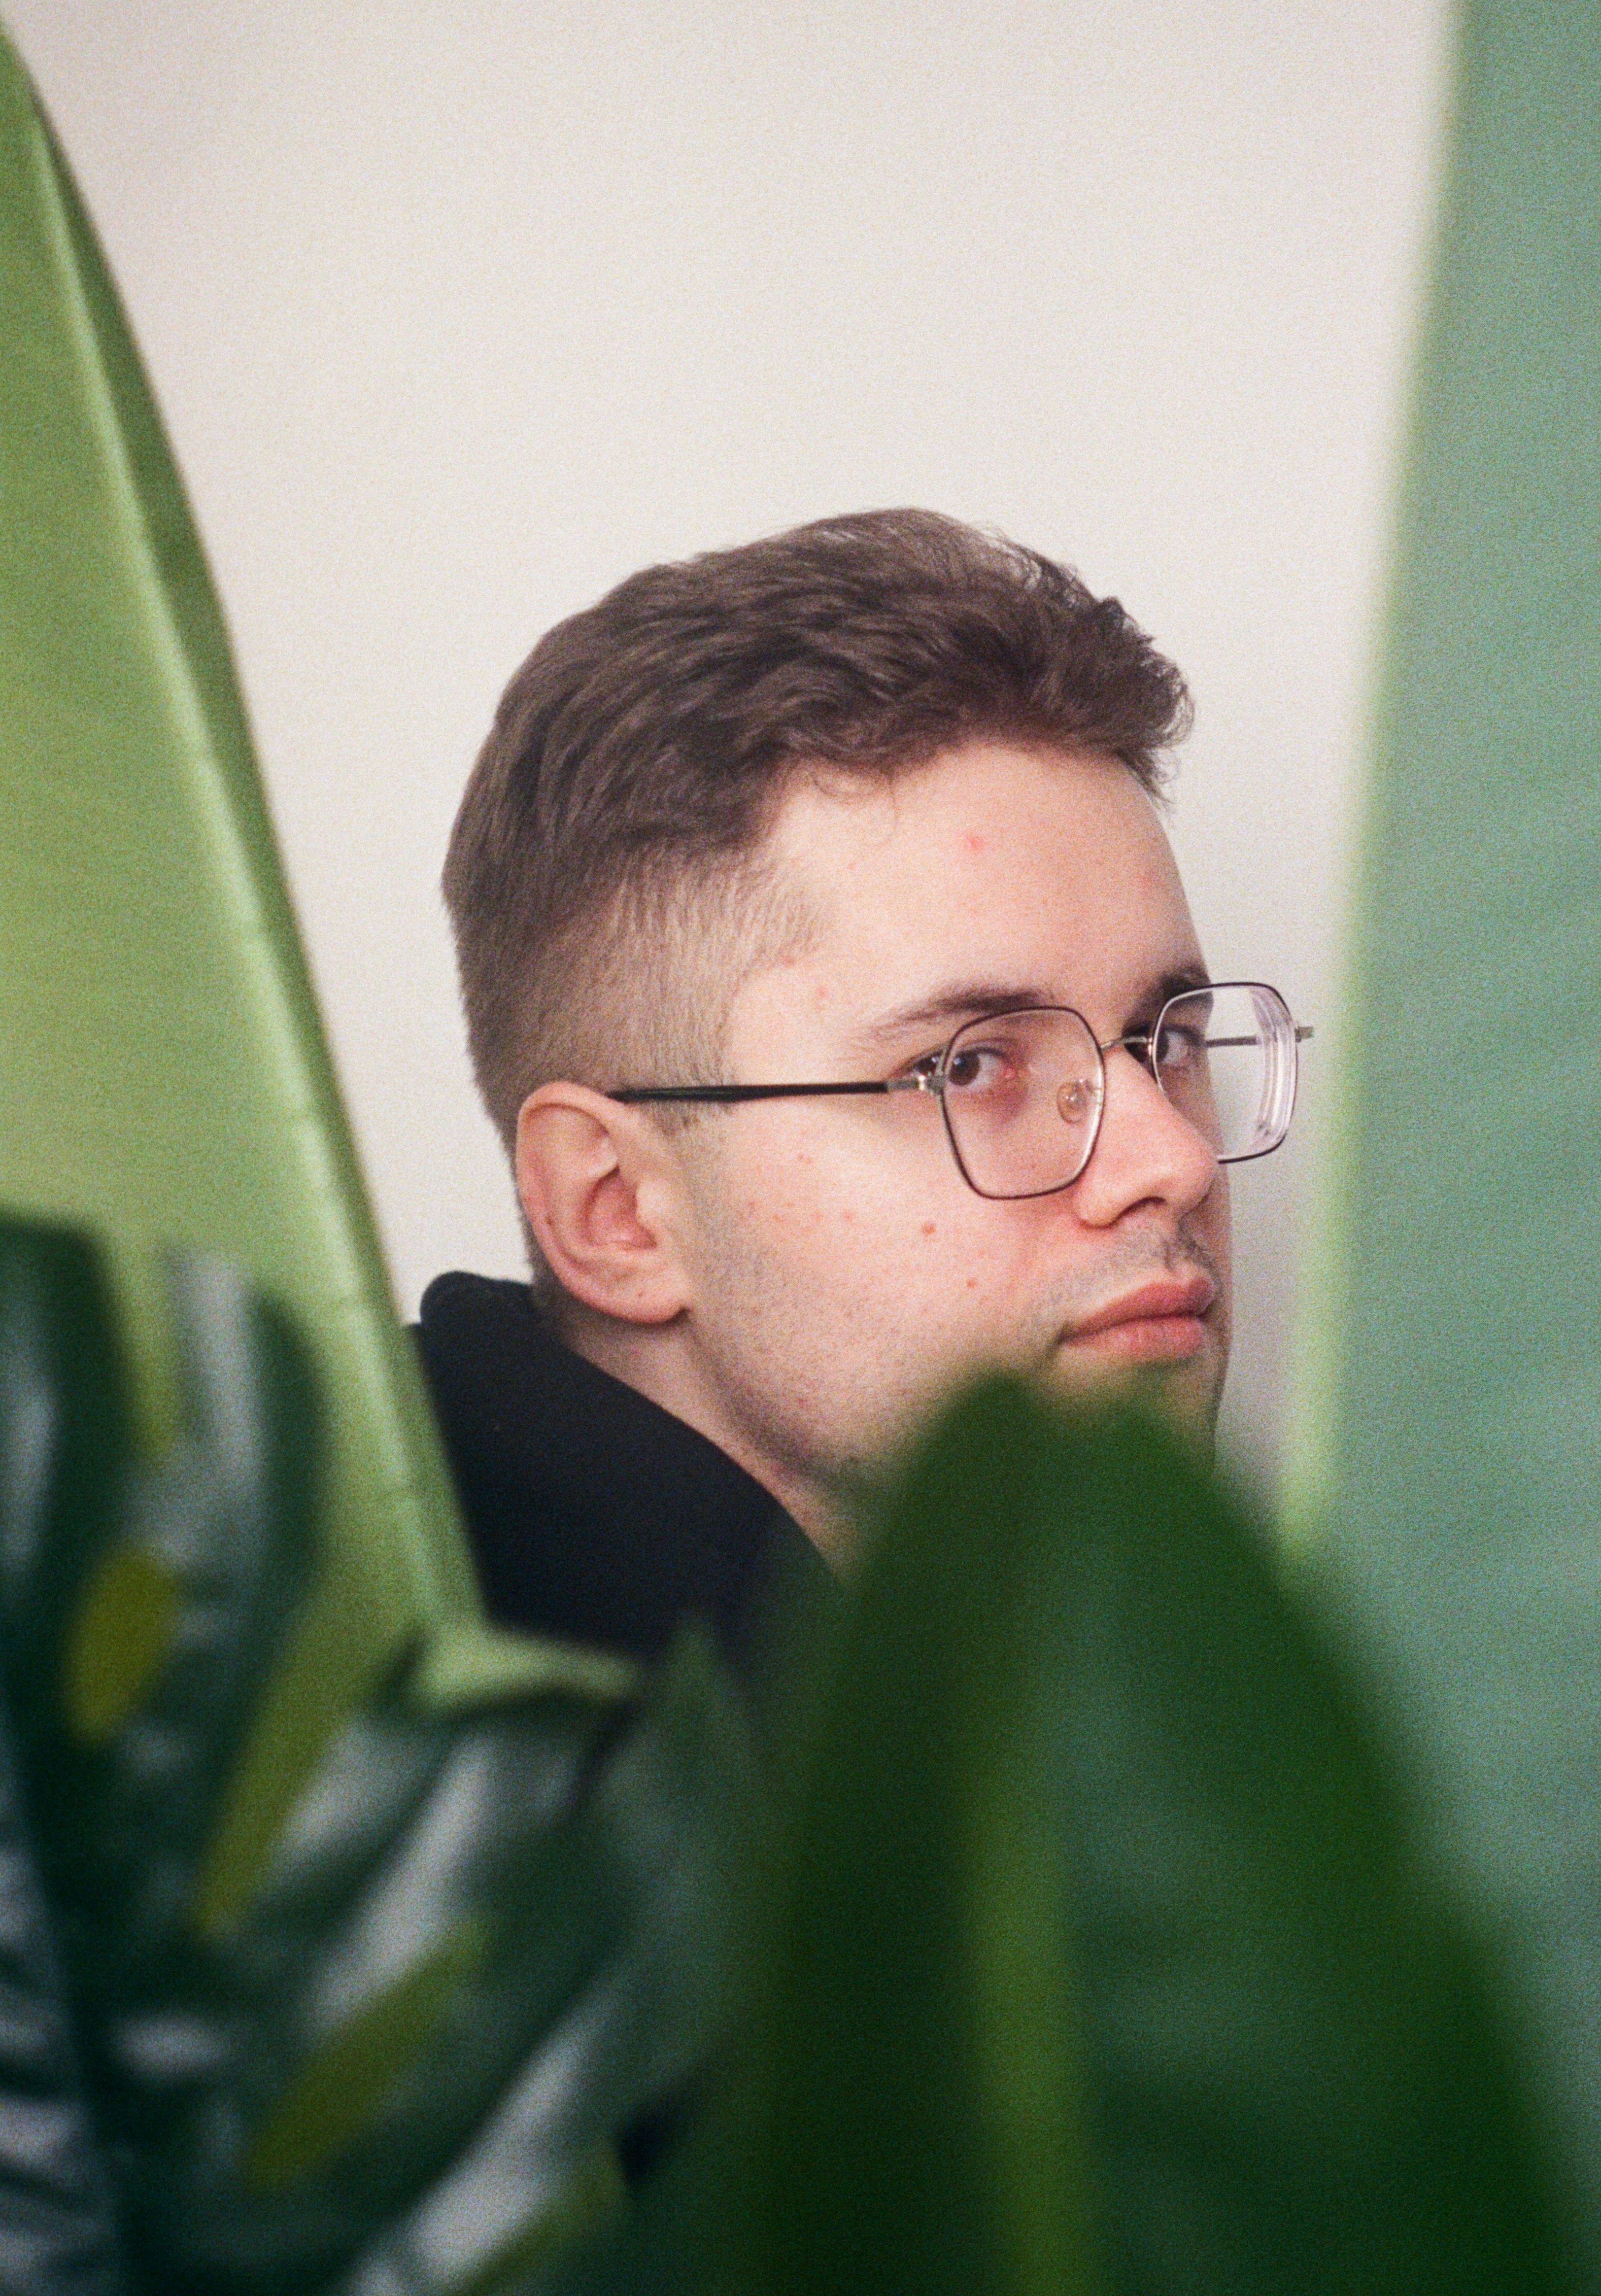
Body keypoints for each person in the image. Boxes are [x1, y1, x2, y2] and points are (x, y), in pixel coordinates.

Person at [414, 508, 1306, 1692]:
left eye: (1168, 1038)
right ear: (618, 1208)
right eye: (973, 1066)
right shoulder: (426, 1802)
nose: (1173, 1162)